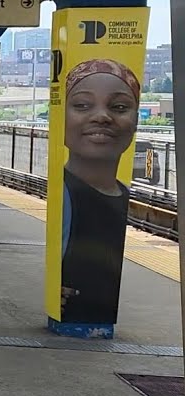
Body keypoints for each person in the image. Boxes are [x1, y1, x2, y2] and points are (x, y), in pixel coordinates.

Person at [59, 58, 140, 323]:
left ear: (136, 119)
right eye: (82, 105)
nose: (102, 117)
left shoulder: (126, 196)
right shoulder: (62, 195)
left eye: (119, 107)